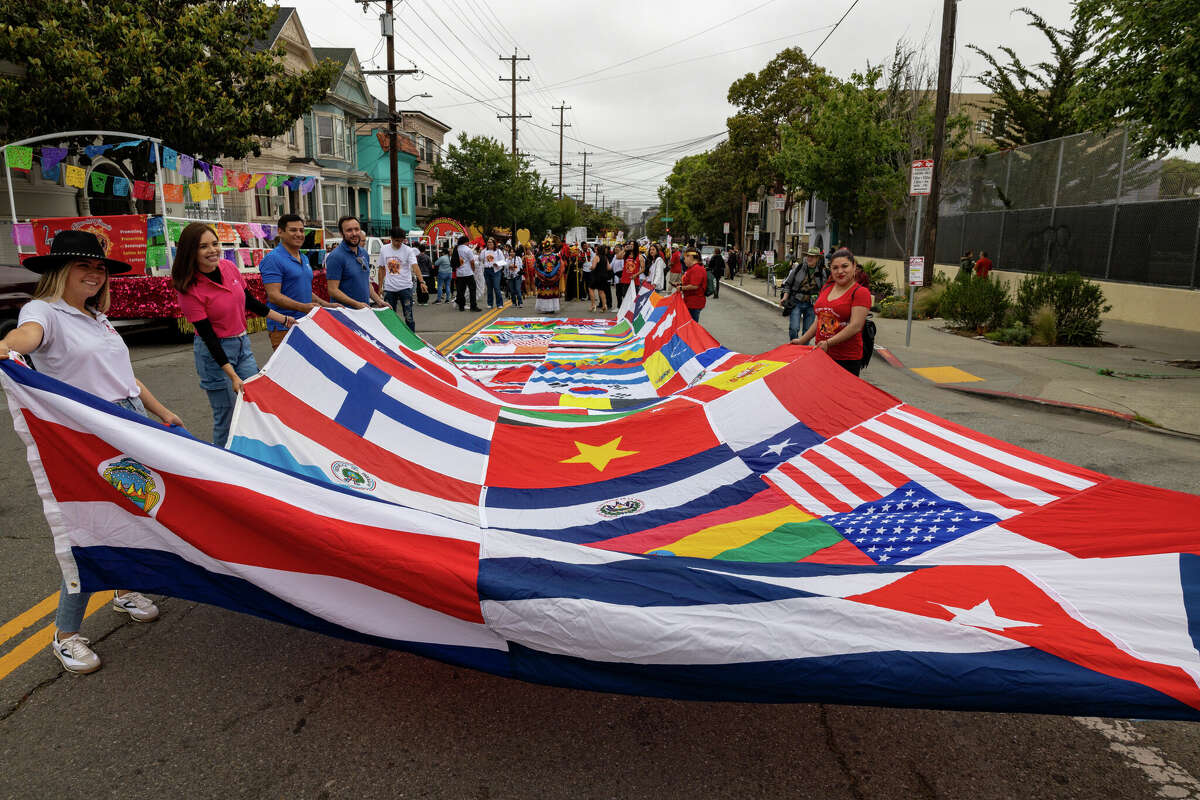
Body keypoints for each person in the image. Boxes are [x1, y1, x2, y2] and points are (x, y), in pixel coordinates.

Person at [0, 230, 180, 674]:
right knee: (92, 527)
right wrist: (5, 345)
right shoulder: (43, 311)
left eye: (100, 268)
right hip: (89, 433)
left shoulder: (96, 318)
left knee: (136, 514)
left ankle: (121, 590)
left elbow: (125, 377)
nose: (95, 275)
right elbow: (26, 336)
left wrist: (161, 412)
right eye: (85, 266)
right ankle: (65, 634)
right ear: (60, 270)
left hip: (129, 424)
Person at [172, 222, 294, 446]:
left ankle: (253, 452)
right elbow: (209, 338)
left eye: (215, 244)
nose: (213, 250)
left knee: (254, 402)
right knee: (226, 417)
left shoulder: (229, 267)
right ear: (191, 252)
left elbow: (250, 302)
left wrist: (285, 320)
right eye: (203, 247)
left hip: (242, 344)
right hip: (215, 354)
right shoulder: (189, 289)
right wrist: (233, 377)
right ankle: (222, 464)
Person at [261, 214, 339, 349]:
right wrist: (303, 307)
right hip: (283, 326)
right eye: (293, 230)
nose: (299, 234)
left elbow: (305, 289)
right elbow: (273, 296)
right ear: (280, 232)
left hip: (306, 322)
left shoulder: (304, 257)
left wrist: (326, 305)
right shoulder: (273, 259)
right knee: (290, 369)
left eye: (301, 230)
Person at [792, 248, 870, 376]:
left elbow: (856, 326)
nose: (840, 271)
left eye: (845, 266)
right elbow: (819, 320)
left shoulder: (860, 292)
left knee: (839, 395)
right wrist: (802, 341)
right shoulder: (827, 287)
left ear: (854, 266)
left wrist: (828, 343)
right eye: (835, 268)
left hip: (845, 359)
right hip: (821, 354)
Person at [326, 215, 387, 311]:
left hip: (363, 312)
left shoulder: (364, 253)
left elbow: (366, 283)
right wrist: (356, 304)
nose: (354, 233)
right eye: (349, 230)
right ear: (341, 233)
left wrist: (379, 301)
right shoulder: (335, 256)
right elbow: (333, 290)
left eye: (356, 229)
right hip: (345, 315)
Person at [377, 226, 428, 330]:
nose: (399, 243)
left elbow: (415, 266)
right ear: (391, 238)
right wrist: (380, 287)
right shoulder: (384, 249)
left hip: (405, 288)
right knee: (390, 316)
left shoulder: (408, 250)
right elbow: (381, 269)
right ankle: (392, 338)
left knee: (408, 316)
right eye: (396, 241)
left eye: (401, 241)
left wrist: (422, 282)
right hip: (389, 288)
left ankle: (411, 337)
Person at [781, 247, 826, 341]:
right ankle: (794, 348)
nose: (809, 258)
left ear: (817, 258)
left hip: (811, 305)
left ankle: (802, 352)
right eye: (808, 256)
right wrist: (785, 297)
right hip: (796, 302)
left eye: (812, 256)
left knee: (807, 332)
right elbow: (788, 284)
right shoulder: (799, 268)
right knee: (794, 328)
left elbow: (825, 290)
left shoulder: (822, 272)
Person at [679, 248, 708, 322]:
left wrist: (681, 288)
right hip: (690, 302)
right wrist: (680, 284)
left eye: (685, 258)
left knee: (692, 326)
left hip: (694, 303)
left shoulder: (697, 269)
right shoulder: (692, 268)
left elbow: (695, 286)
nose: (684, 261)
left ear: (691, 257)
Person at [452, 235, 481, 311]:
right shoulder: (467, 250)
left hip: (459, 273)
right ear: (466, 242)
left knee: (461, 290)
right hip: (468, 272)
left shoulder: (456, 249)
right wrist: (473, 270)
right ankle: (473, 306)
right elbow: (472, 261)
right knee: (472, 289)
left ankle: (461, 306)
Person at [535, 248, 563, 314]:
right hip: (553, 279)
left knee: (545, 292)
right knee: (552, 292)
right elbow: (560, 267)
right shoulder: (556, 256)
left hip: (544, 279)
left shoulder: (540, 258)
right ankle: (552, 308)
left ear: (544, 249)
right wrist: (555, 276)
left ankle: (545, 308)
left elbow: (537, 268)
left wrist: (542, 276)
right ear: (550, 249)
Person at [481, 237, 505, 308]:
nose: (489, 244)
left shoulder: (498, 251)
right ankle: (490, 303)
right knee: (489, 288)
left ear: (494, 243)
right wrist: (481, 252)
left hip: (496, 271)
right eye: (488, 242)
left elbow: (503, 261)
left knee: (496, 287)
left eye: (491, 242)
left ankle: (499, 304)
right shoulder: (484, 251)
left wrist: (497, 264)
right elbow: (480, 259)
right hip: (487, 270)